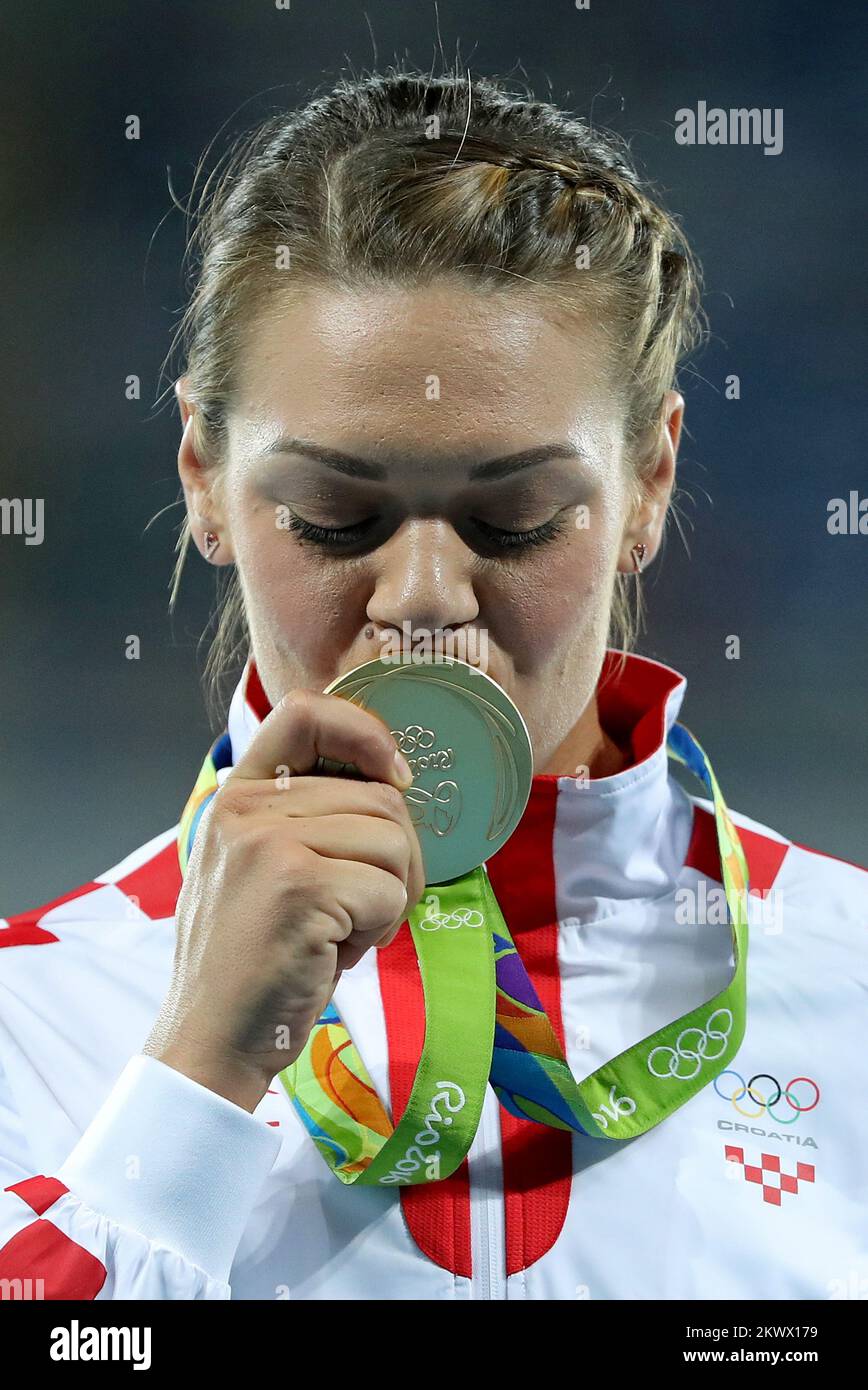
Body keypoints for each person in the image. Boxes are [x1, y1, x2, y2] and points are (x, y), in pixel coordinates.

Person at [1, 68, 866, 1303]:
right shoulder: (28, 1011)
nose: (419, 595)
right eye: (331, 514)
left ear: (652, 483)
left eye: (515, 517)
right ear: (203, 478)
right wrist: (196, 1075)